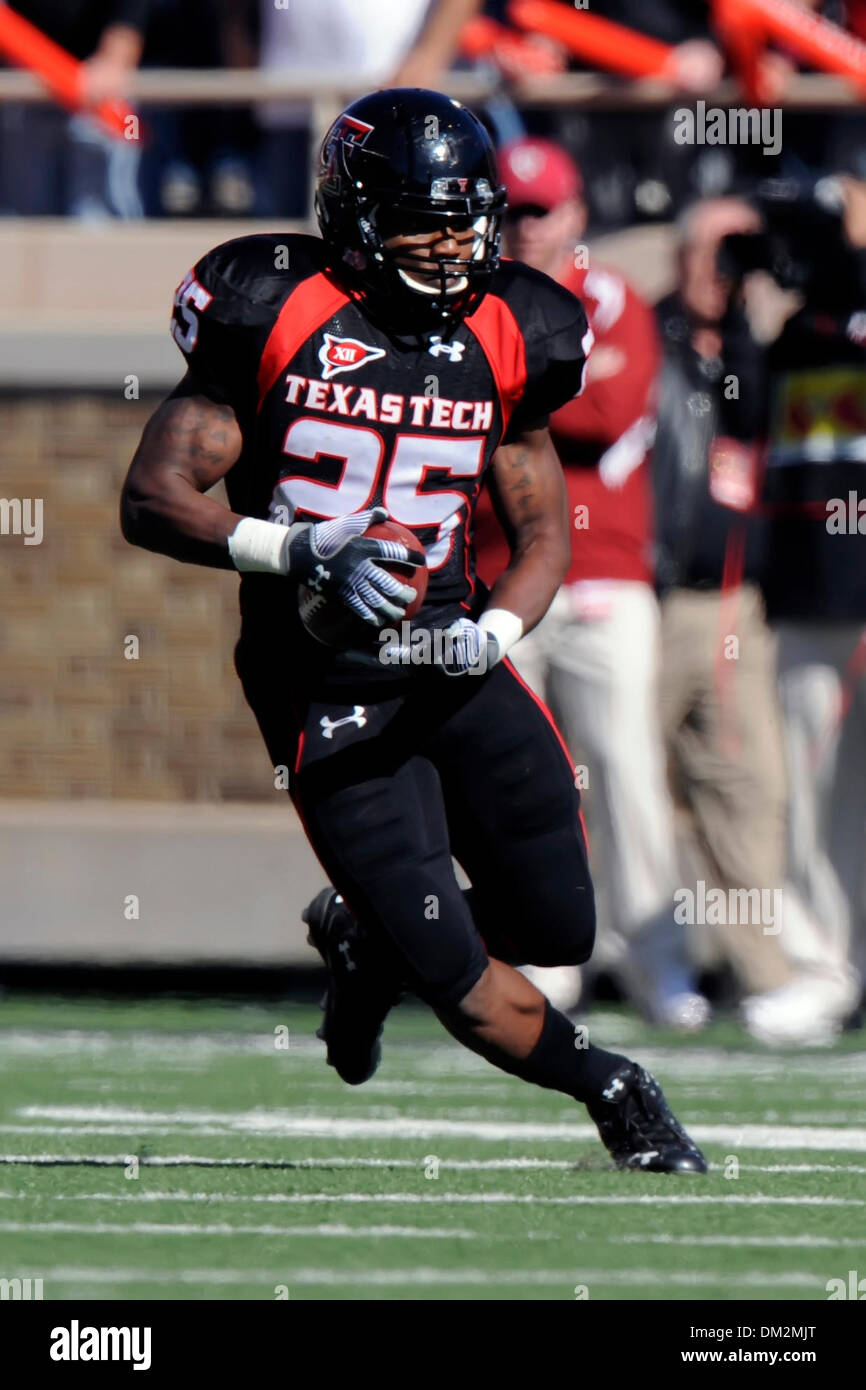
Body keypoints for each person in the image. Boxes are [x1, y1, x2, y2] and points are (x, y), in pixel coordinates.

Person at [121, 88, 706, 1174]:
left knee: (553, 926)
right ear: (351, 215)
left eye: (465, 215)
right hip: (323, 673)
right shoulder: (277, 306)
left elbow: (541, 535)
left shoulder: (512, 323)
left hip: (449, 655)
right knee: (457, 970)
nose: (452, 242)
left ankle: (363, 937)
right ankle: (613, 1085)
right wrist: (297, 547)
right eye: (421, 218)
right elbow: (153, 496)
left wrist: (488, 634)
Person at [473, 137, 709, 1029]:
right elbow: (467, 412)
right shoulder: (474, 296)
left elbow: (610, 415)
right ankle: (540, 965)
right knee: (515, 776)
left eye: (541, 210)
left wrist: (511, 395)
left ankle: (659, 968)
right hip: (498, 573)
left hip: (602, 570)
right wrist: (543, 389)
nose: (527, 227)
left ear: (574, 214)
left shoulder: (609, 297)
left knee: (626, 773)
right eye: (514, 210)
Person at [652, 197, 800, 1031]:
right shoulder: (643, 341)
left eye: (738, 252)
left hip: (733, 607)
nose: (724, 267)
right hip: (648, 599)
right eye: (714, 249)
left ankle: (765, 976)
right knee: (621, 790)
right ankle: (645, 969)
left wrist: (749, 320)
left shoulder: (751, 352)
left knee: (748, 790)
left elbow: (759, 432)